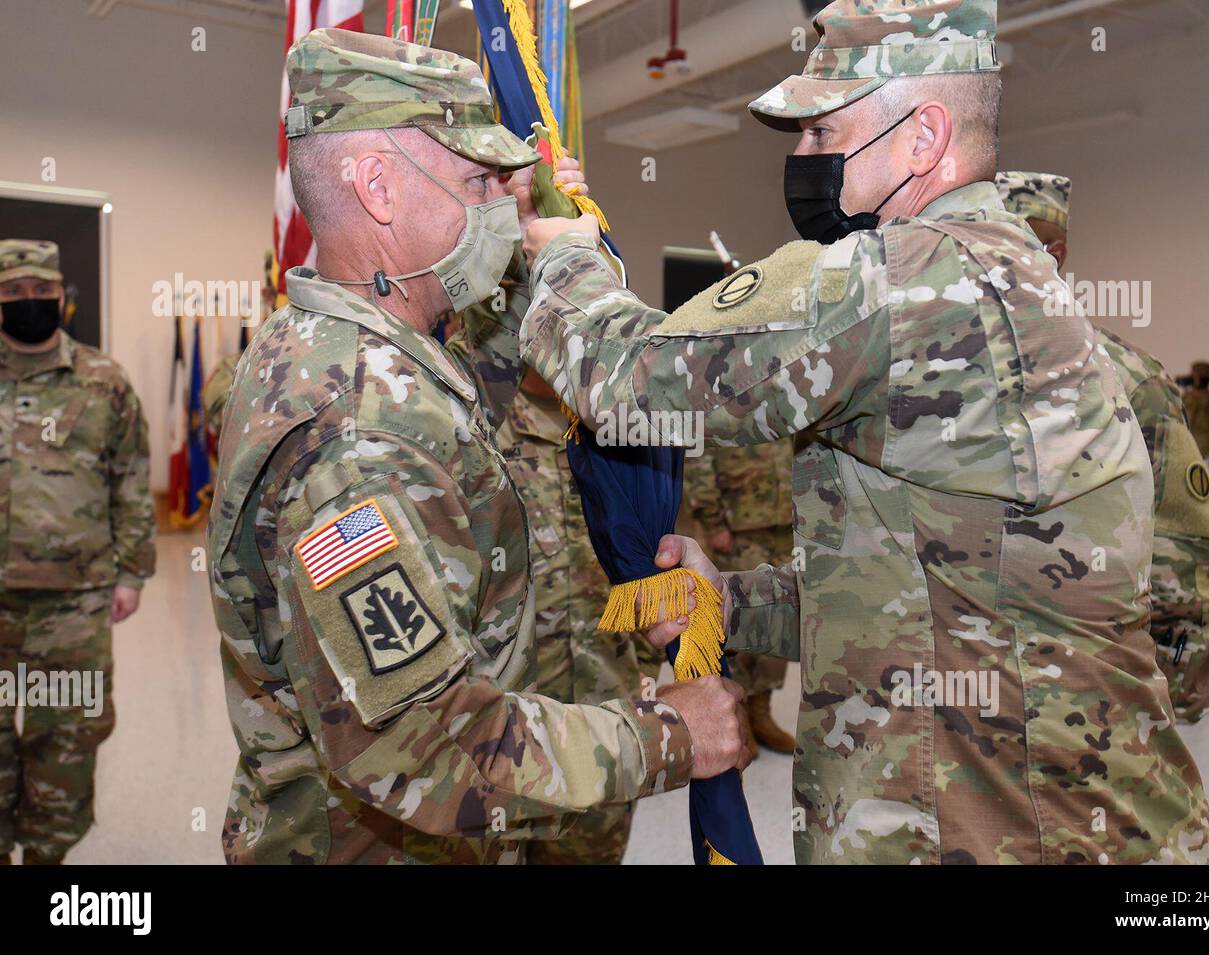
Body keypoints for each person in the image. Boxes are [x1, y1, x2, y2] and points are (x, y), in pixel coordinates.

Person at [520, 0, 1209, 863]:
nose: (800, 159)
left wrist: (560, 252)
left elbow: (619, 381)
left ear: (923, 138)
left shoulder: (909, 282)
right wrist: (729, 603)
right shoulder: (999, 266)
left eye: (821, 134)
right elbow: (913, 590)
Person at [206, 29, 747, 865]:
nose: (505, 200)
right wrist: (670, 733)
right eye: (480, 181)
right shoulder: (354, 431)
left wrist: (532, 239)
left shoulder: (375, 352)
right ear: (379, 189)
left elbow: (518, 394)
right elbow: (420, 745)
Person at [997, 171, 1209, 722]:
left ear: (1053, 254)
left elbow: (1179, 548)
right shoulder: (926, 371)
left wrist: (1164, 695)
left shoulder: (1125, 380)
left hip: (1075, 698)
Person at [0, 239, 155, 865]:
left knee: (65, 736)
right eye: (14, 294)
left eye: (42, 292)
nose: (30, 303)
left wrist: (133, 574)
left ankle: (42, 856)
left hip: (75, 603)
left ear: (62, 298)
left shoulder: (103, 380)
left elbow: (132, 476)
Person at [498, 370, 660, 863]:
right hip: (507, 726)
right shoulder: (480, 429)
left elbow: (657, 558)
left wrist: (648, 674)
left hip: (607, 709)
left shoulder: (619, 431)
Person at [685, 442, 796, 755]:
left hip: (786, 526)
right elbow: (699, 461)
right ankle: (736, 713)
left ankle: (762, 710)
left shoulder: (786, 400)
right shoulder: (719, 401)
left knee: (781, 620)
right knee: (739, 621)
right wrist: (712, 521)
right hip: (739, 528)